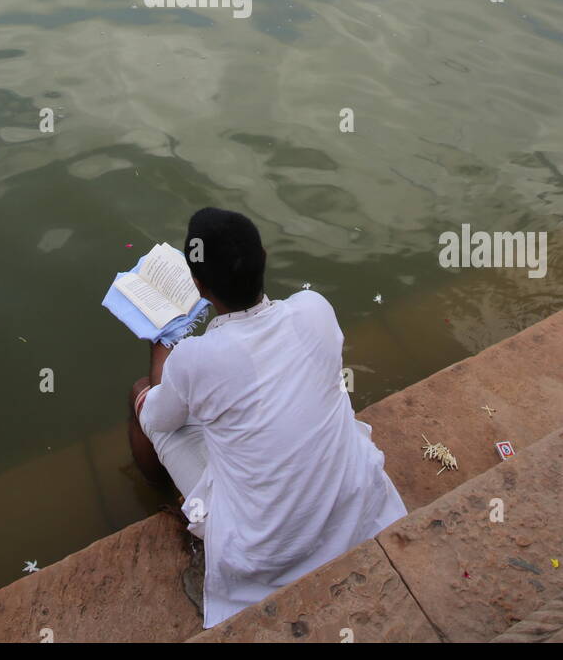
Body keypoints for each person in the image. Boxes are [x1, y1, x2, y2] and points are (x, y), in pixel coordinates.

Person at [129, 208, 407, 630]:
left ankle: (156, 492)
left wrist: (160, 343)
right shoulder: (314, 308)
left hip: (266, 552)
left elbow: (160, 419)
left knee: (144, 399)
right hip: (353, 502)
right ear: (265, 255)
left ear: (198, 286)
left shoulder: (196, 357)